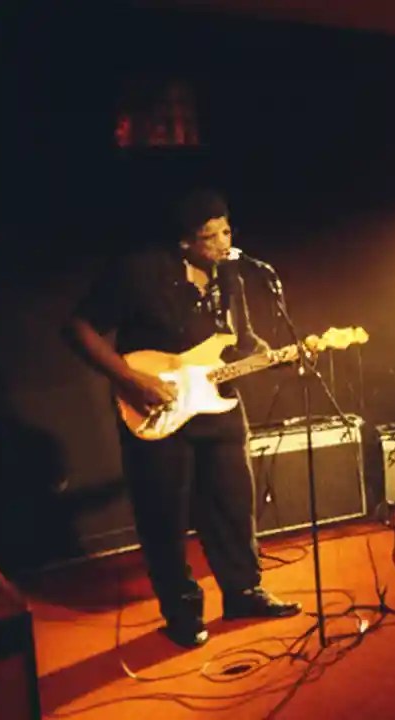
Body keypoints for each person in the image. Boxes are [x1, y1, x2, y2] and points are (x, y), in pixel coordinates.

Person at [65, 189, 300, 648]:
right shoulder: (139, 272)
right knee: (163, 517)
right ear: (183, 242)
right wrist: (131, 381)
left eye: (226, 230)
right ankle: (181, 611)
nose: (221, 241)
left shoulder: (231, 275)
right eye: (207, 235)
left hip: (219, 405)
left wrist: (265, 357)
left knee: (235, 505)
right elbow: (78, 328)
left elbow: (241, 339)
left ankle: (243, 591)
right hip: (155, 406)